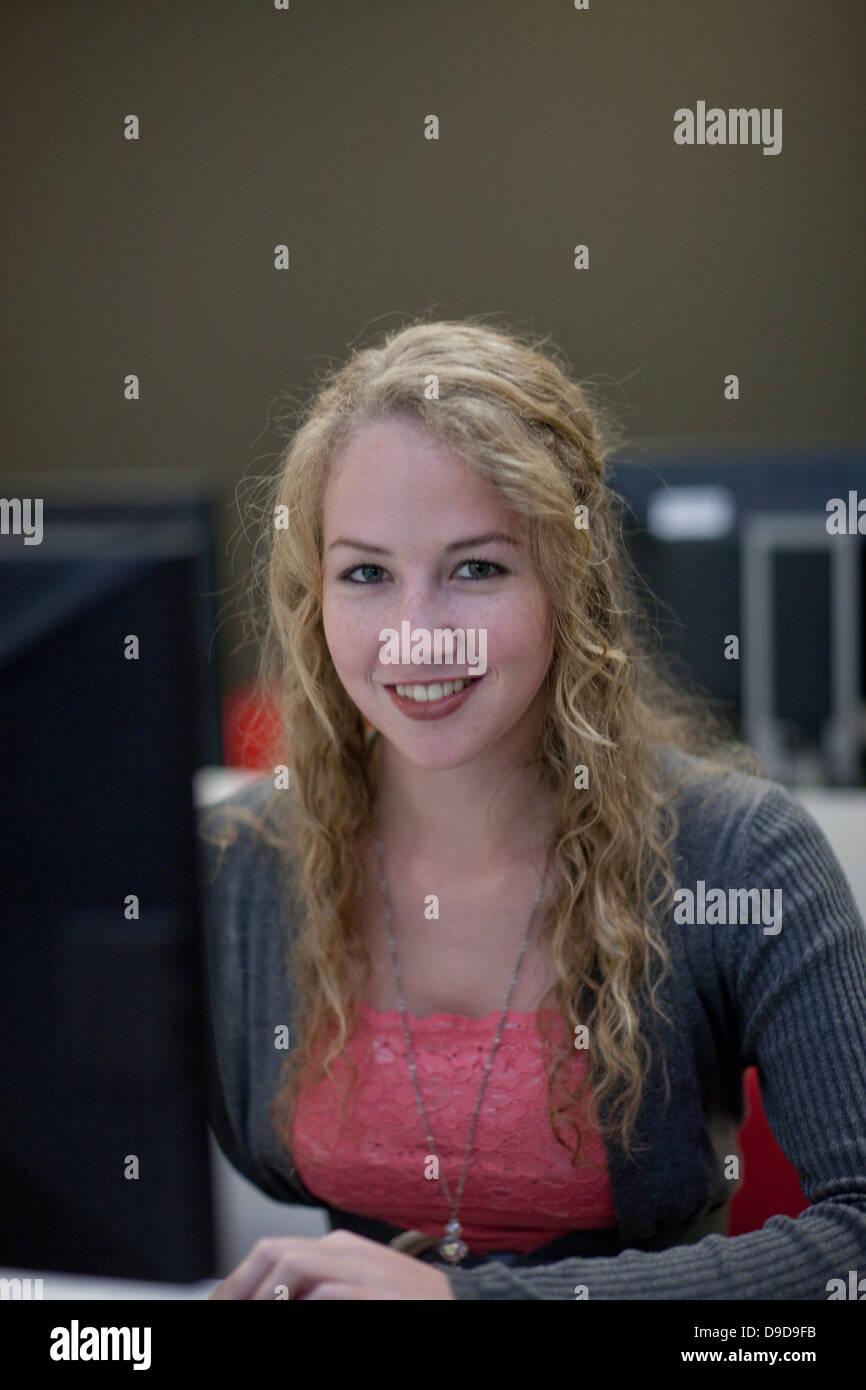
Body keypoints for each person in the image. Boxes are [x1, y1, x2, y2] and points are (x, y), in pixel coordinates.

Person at [201, 317, 866, 1300]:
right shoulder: (239, 861)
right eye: (365, 574)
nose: (414, 635)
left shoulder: (738, 854)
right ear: (314, 598)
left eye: (476, 567)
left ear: (570, 582)